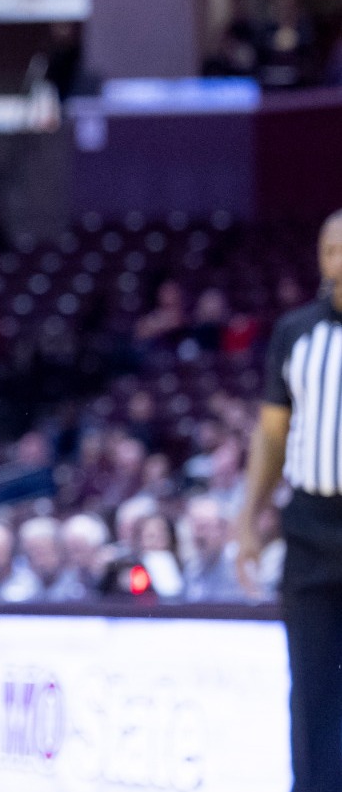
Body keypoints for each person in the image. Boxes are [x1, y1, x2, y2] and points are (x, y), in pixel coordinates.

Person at [238, 210, 342, 791]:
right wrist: (248, 520)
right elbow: (272, 435)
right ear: (321, 260)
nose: (341, 262)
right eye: (332, 250)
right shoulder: (295, 332)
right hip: (308, 529)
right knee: (311, 689)